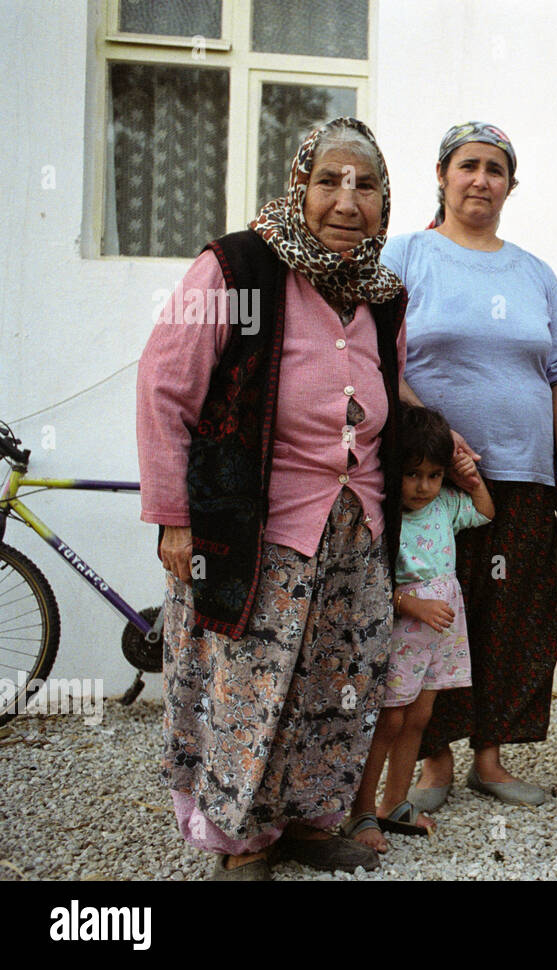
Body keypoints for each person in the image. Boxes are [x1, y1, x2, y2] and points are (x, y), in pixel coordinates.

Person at [137, 117, 408, 879]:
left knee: (336, 682)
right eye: (329, 180)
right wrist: (172, 519)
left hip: (357, 524)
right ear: (298, 186)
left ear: (385, 204)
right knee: (251, 690)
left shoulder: (384, 293)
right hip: (255, 526)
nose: (346, 201)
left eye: (365, 186)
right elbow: (165, 387)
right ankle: (239, 842)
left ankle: (307, 821)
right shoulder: (236, 266)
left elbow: (386, 389)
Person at [381, 121, 557, 810]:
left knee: (513, 615)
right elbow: (379, 354)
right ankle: (433, 760)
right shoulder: (408, 252)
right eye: (468, 165)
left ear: (511, 185)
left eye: (495, 169)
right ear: (441, 175)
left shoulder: (534, 273)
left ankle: (491, 759)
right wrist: (440, 438)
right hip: (429, 480)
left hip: (524, 478)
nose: (481, 179)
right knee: (435, 611)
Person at [344, 406, 494, 851]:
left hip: (443, 628)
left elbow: (485, 511)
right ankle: (361, 811)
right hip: (404, 629)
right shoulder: (381, 517)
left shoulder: (445, 503)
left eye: (433, 474)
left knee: (420, 717)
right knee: (390, 718)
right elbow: (368, 581)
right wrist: (414, 605)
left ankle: (396, 803)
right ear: (394, 470)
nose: (424, 486)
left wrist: (471, 479)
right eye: (413, 474)